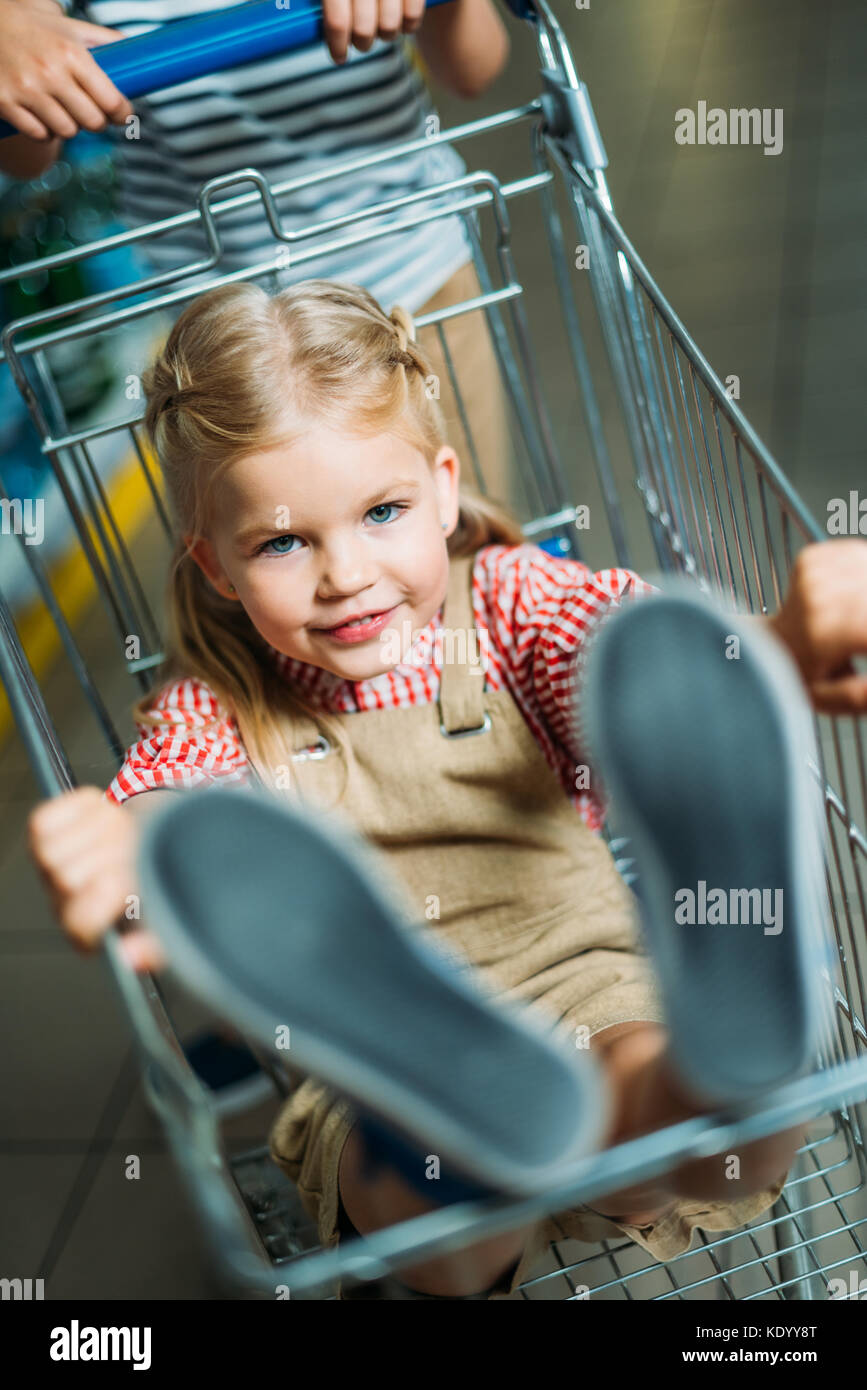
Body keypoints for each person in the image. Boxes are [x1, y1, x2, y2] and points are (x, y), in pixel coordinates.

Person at [25, 275, 867, 1298]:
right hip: (387, 1067)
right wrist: (135, 850)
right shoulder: (219, 706)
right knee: (433, 1212)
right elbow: (173, 805)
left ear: (441, 484)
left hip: (587, 985)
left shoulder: (509, 602)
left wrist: (766, 654)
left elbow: (636, 675)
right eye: (284, 542)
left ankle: (742, 1057)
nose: (346, 575)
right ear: (214, 567)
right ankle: (477, 1124)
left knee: (672, 1119)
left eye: (382, 512)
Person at [0, 0, 518, 504]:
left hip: (414, 291)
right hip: (223, 344)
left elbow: (474, 67)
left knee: (462, 545)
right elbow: (29, 156)